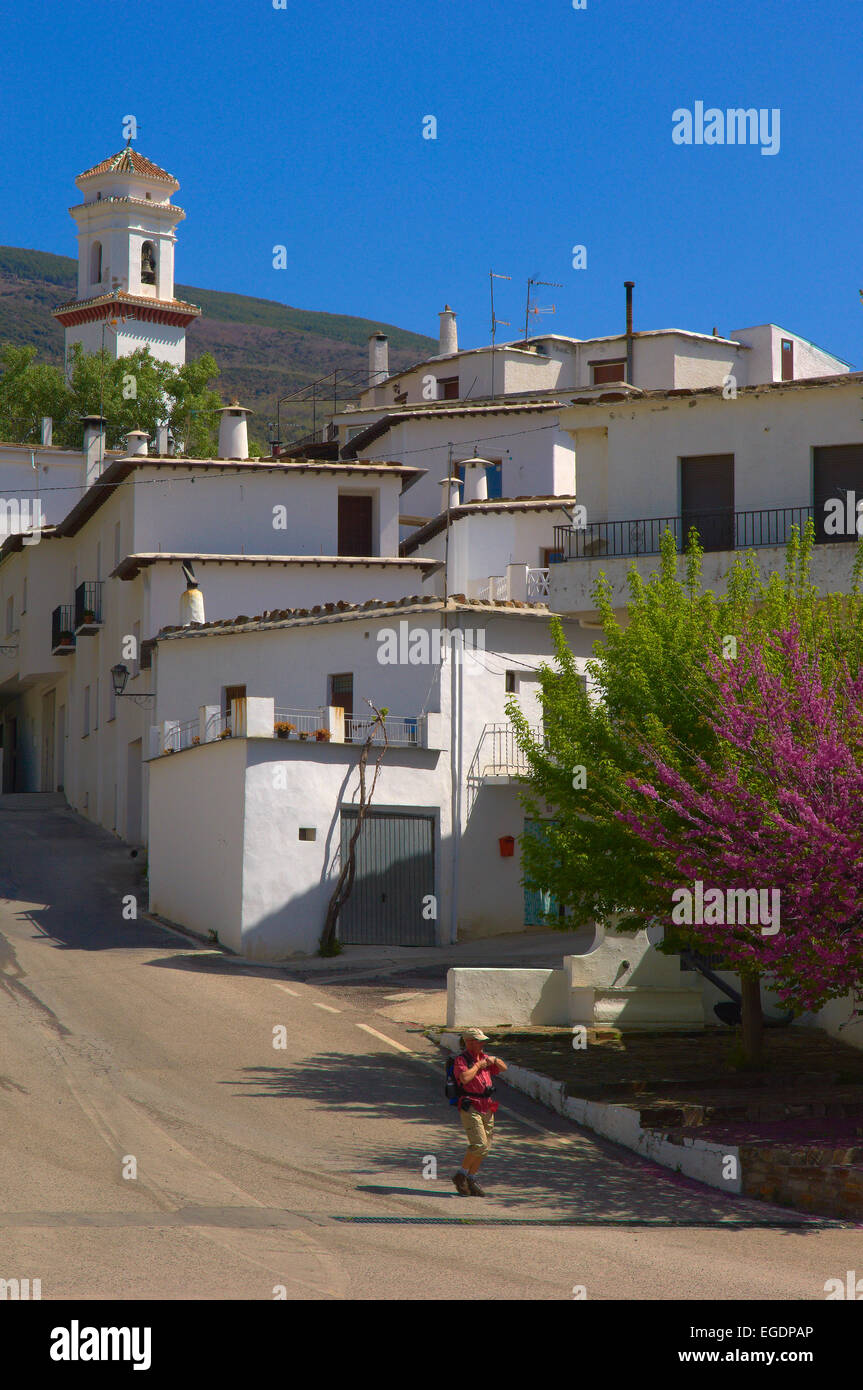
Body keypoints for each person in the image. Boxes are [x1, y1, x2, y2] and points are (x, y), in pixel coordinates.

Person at [451, 1027, 507, 1197]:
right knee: (479, 1144)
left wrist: (494, 1060)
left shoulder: (484, 1058)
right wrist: (477, 1066)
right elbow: (464, 1078)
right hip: (471, 1105)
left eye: (483, 1041)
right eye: (478, 1041)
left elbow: (504, 1068)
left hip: (487, 1105)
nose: (482, 1043)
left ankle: (471, 1178)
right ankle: (461, 1175)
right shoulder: (461, 1060)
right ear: (469, 1042)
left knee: (486, 1147)